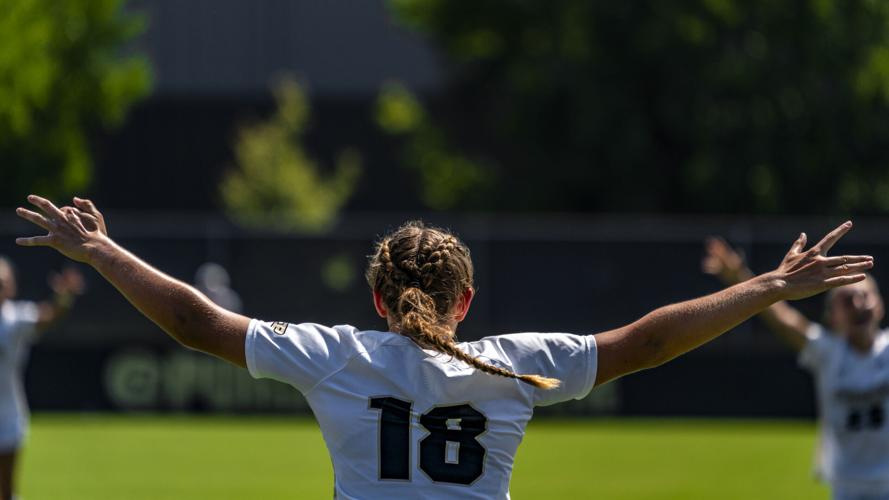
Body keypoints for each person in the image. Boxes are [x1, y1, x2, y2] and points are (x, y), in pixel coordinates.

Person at [14, 194, 873, 499]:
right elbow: (642, 344)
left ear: (376, 297)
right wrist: (765, 286)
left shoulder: (334, 354)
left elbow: (196, 323)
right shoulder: (511, 364)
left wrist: (100, 251)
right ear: (466, 300)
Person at [703, 236, 889, 500]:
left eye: (865, 296)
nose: (859, 305)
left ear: (880, 305)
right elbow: (784, 320)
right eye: (848, 300)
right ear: (833, 316)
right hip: (846, 486)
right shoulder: (827, 352)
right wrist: (739, 277)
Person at [0, 254, 86, 500]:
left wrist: (65, 296)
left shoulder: (15, 318)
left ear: (11, 286)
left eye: (1, 283)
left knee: (6, 491)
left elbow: (49, 316)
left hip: (8, 417)